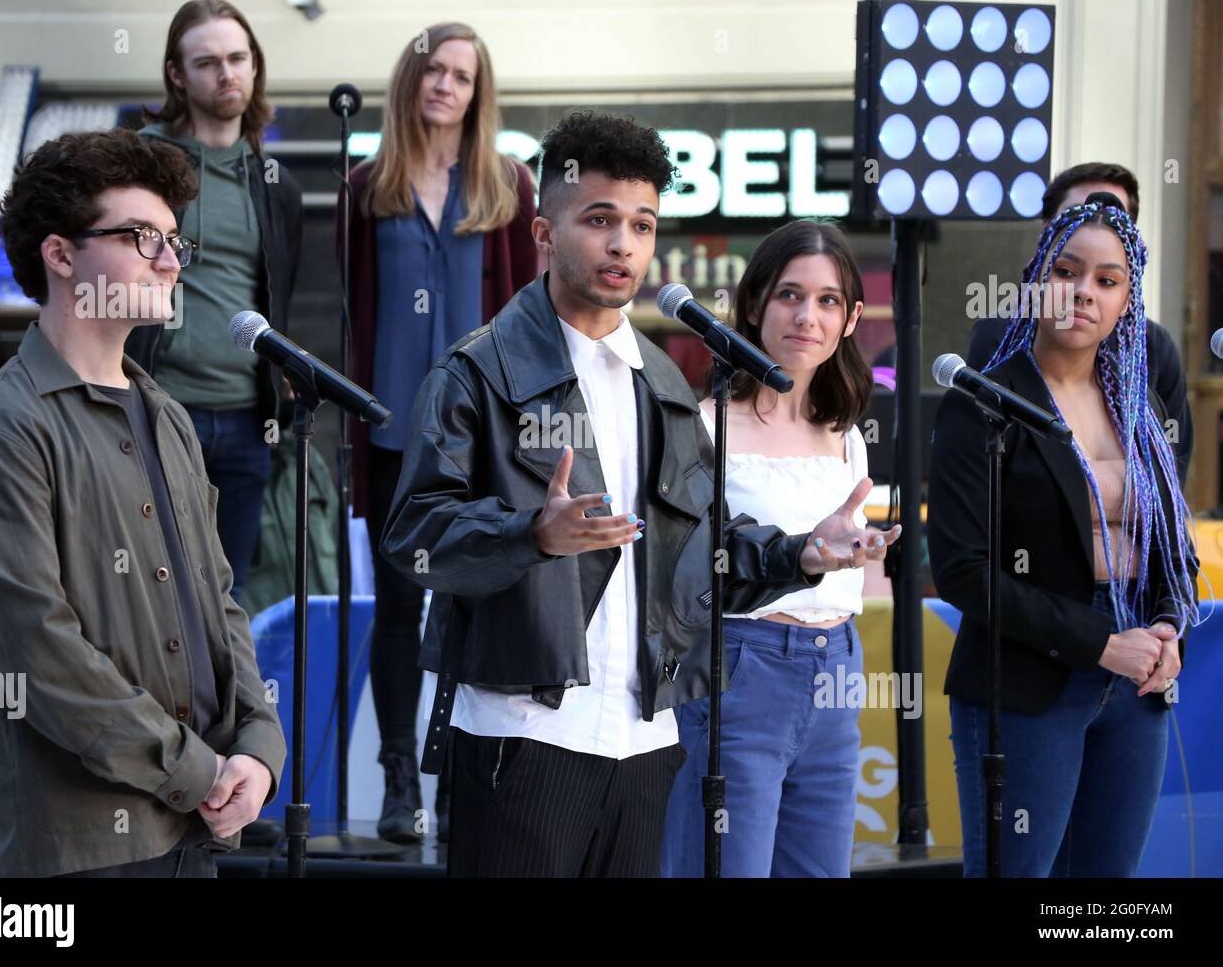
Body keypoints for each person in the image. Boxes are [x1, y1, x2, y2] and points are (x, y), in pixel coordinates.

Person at [379, 111, 899, 877]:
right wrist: (531, 534)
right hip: (525, 730)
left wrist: (800, 553)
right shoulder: (477, 372)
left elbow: (707, 548)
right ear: (544, 233)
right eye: (599, 219)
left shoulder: (662, 385)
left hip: (647, 738)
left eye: (642, 224)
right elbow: (414, 532)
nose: (624, 244)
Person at [0, 128, 286, 877]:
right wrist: (196, 769)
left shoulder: (170, 417)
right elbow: (38, 651)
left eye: (174, 243)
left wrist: (257, 746)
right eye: (140, 237)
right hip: (80, 852)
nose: (169, 260)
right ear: (61, 255)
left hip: (196, 833)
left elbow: (220, 602)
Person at [928, 191, 1199, 877]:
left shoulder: (1142, 408)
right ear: (1034, 278)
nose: (1082, 293)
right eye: (1066, 272)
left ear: (1126, 303)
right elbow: (962, 569)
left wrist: (1167, 625)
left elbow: (1172, 541)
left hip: (1138, 679)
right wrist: (1098, 644)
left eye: (1106, 282)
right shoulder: (983, 404)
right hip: (1027, 677)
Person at [340, 21, 538, 843]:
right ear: (410, 81)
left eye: (461, 74)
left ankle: (453, 773)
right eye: (432, 70)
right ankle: (396, 781)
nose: (445, 85)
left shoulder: (509, 186)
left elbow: (529, 318)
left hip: (480, 434)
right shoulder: (365, 186)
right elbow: (353, 314)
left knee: (463, 612)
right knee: (396, 609)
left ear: (476, 92)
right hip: (390, 430)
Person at [661, 219, 876, 877]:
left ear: (851, 318)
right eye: (788, 295)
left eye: (827, 300)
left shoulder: (845, 432)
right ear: (753, 305)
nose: (806, 315)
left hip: (835, 666)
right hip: (738, 664)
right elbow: (687, 570)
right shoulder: (704, 425)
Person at [126, 0, 304, 603]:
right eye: (206, 62)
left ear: (254, 65)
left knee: (227, 600)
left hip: (246, 420)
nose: (225, 73)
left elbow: (277, 295)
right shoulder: (138, 167)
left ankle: (225, 706)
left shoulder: (275, 185)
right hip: (153, 408)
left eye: (237, 58)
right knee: (149, 597)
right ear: (176, 74)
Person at [967, 162, 1191, 484]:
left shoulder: (1154, 350)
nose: (1093, 224)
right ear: (1047, 234)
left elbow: (1172, 474)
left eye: (1112, 218)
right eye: (1077, 215)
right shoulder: (998, 336)